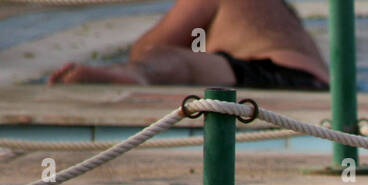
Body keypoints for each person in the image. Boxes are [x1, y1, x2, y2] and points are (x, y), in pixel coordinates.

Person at [48, 0, 329, 90]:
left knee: (168, 58)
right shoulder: (278, 9)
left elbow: (148, 48)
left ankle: (130, 78)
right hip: (317, 85)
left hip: (262, 73)